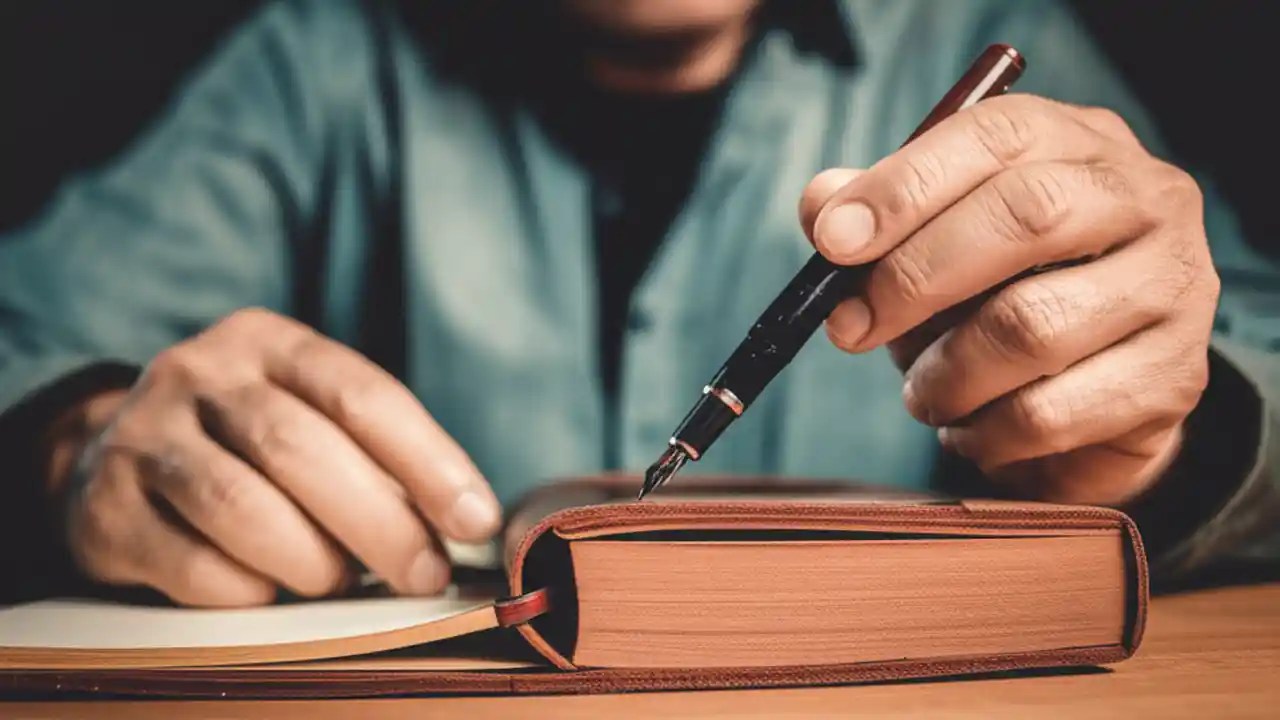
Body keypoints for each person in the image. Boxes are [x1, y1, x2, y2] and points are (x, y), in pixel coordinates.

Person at [0, 0, 1276, 607]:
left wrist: (1175, 433)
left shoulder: (981, 37)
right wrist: (74, 441)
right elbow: (26, 338)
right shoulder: (321, 58)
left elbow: (1246, 339)